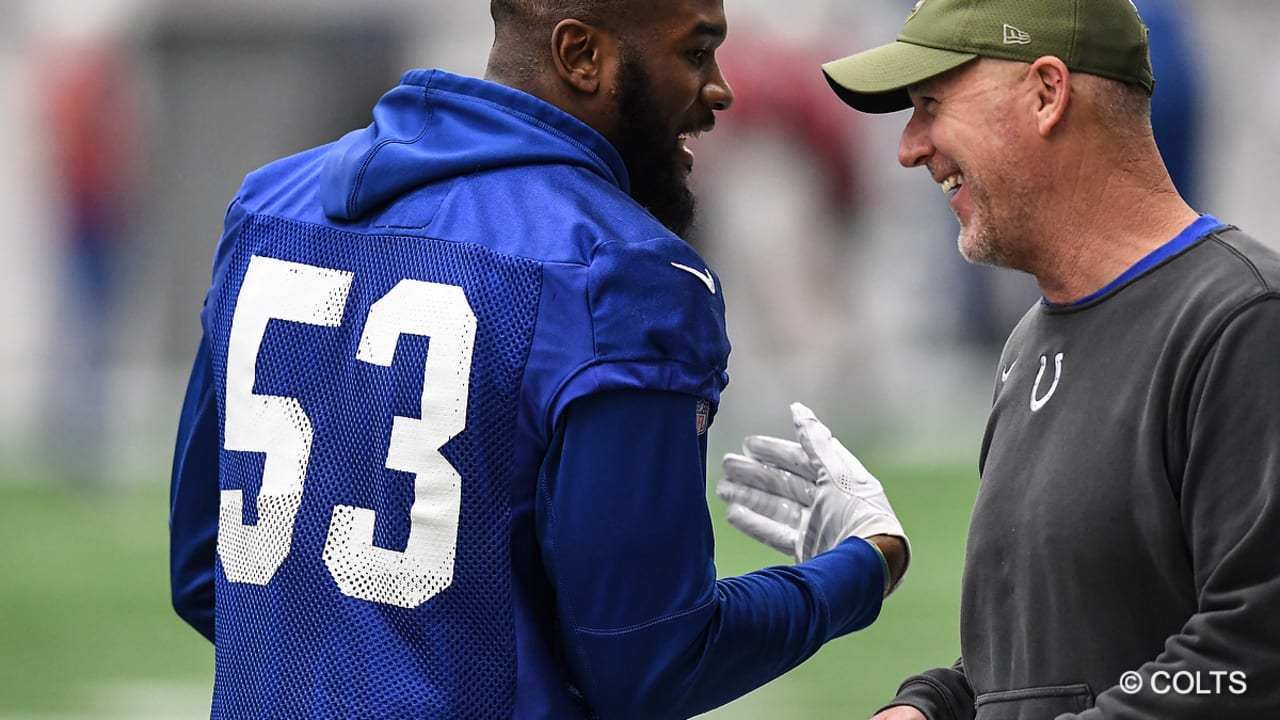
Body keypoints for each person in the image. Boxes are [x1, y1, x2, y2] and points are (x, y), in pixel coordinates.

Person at [168, 1, 909, 718]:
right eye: (695, 51)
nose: (720, 88)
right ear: (581, 56)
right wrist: (859, 566)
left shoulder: (270, 207)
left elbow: (206, 573)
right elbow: (651, 660)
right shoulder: (619, 270)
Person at [720, 0, 1280, 717]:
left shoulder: (1242, 322)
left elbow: (1251, 658)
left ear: (1047, 93)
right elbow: (1034, 664)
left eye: (931, 104)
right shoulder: (1030, 346)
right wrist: (928, 707)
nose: (909, 146)